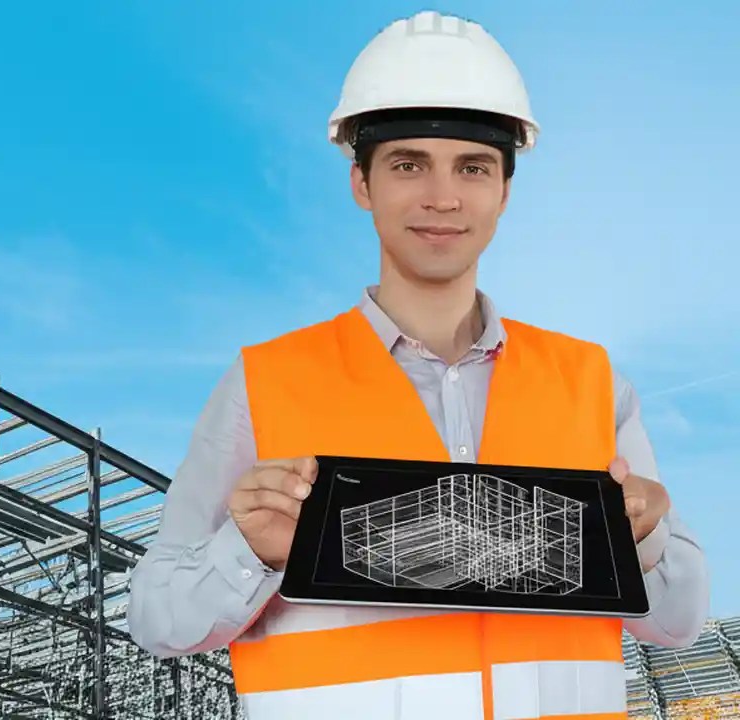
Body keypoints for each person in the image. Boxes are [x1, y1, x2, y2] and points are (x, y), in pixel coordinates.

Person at [125, 10, 710, 720]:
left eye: (473, 166)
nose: (442, 197)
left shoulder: (591, 385)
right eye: (409, 164)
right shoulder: (263, 385)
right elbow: (157, 620)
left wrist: (642, 538)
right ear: (361, 184)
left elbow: (679, 624)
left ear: (504, 191)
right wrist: (251, 552)